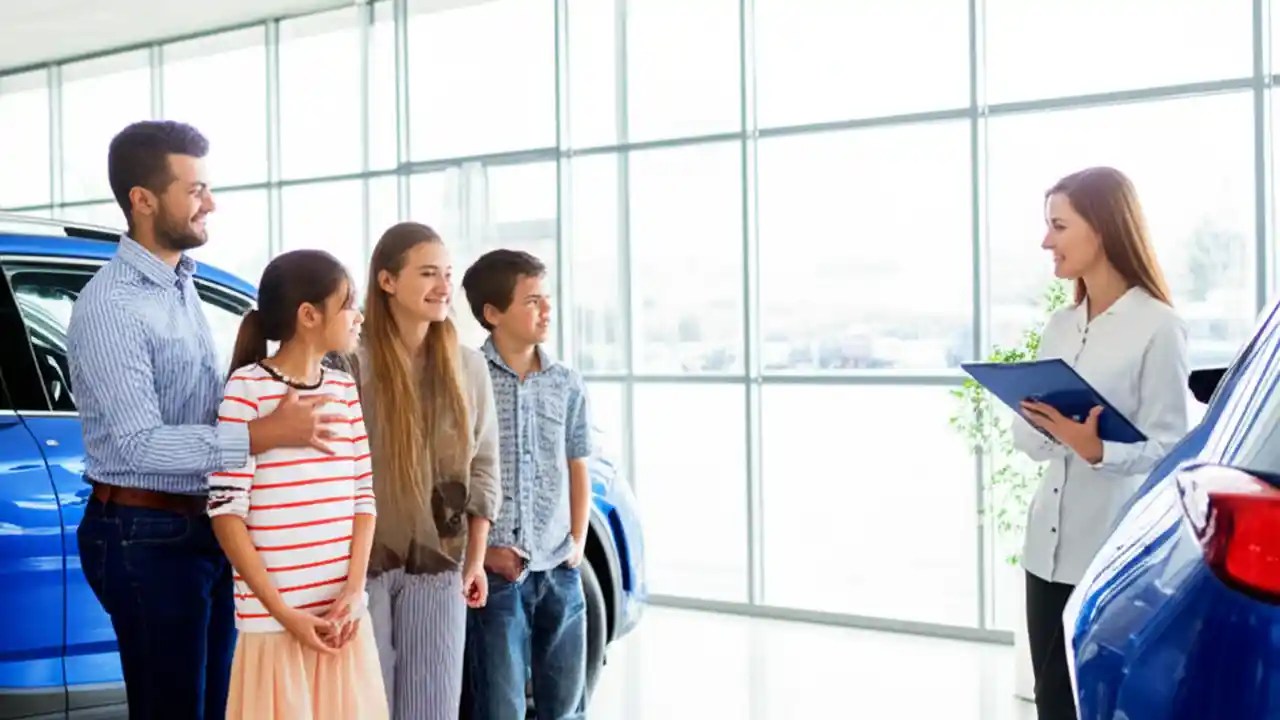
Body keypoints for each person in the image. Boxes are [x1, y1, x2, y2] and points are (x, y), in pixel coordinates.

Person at [67, 120, 342, 720]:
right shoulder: (111, 306)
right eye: (195, 190)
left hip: (199, 526)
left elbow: (195, 406)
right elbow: (137, 445)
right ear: (143, 200)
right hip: (145, 534)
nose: (210, 203)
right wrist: (260, 436)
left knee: (216, 707)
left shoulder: (180, 285)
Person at [1013, 166, 1190, 720]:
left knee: (1091, 705)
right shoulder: (1059, 325)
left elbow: (1172, 450)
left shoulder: (1158, 326)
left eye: (1059, 226)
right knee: (1051, 701)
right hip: (1045, 549)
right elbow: (1028, 439)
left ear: (1104, 227)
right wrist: (1048, 429)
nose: (1047, 241)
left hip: (1108, 553)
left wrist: (1098, 450)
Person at [208, 248, 387, 719]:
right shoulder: (246, 389)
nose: (359, 316)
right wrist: (284, 615)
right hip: (274, 626)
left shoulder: (343, 388)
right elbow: (226, 514)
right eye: (348, 304)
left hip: (341, 623)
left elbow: (364, 498)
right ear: (309, 315)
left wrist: (353, 593)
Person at [355, 222, 501, 720]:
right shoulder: (350, 364)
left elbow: (484, 467)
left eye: (447, 274)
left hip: (441, 567)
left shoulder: (468, 367)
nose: (443, 286)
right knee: (368, 708)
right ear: (387, 281)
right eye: (427, 273)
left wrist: (475, 559)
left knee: (431, 710)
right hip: (361, 570)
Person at [461, 249, 592, 720]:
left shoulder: (566, 382)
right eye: (532, 301)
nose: (546, 309)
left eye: (546, 298)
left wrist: (578, 540)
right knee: (501, 706)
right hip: (498, 574)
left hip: (559, 569)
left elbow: (577, 462)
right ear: (492, 313)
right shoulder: (466, 377)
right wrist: (477, 555)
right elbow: (456, 474)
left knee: (566, 705)